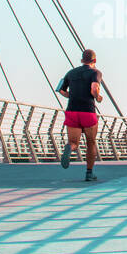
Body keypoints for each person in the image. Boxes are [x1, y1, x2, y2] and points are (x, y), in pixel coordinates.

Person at [56, 49, 104, 181]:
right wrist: (98, 97)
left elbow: (60, 89)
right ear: (94, 60)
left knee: (73, 142)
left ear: (82, 60)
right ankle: (89, 173)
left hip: (72, 111)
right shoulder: (96, 72)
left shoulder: (71, 73)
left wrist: (71, 95)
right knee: (91, 142)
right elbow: (94, 88)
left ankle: (69, 147)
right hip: (87, 111)